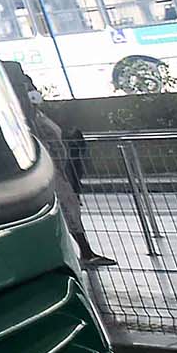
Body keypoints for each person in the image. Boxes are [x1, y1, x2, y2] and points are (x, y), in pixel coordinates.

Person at [28, 86, 115, 269]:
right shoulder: (32, 120)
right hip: (52, 171)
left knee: (69, 208)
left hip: (56, 169)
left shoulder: (37, 117)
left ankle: (84, 252)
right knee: (68, 208)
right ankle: (85, 252)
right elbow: (50, 144)